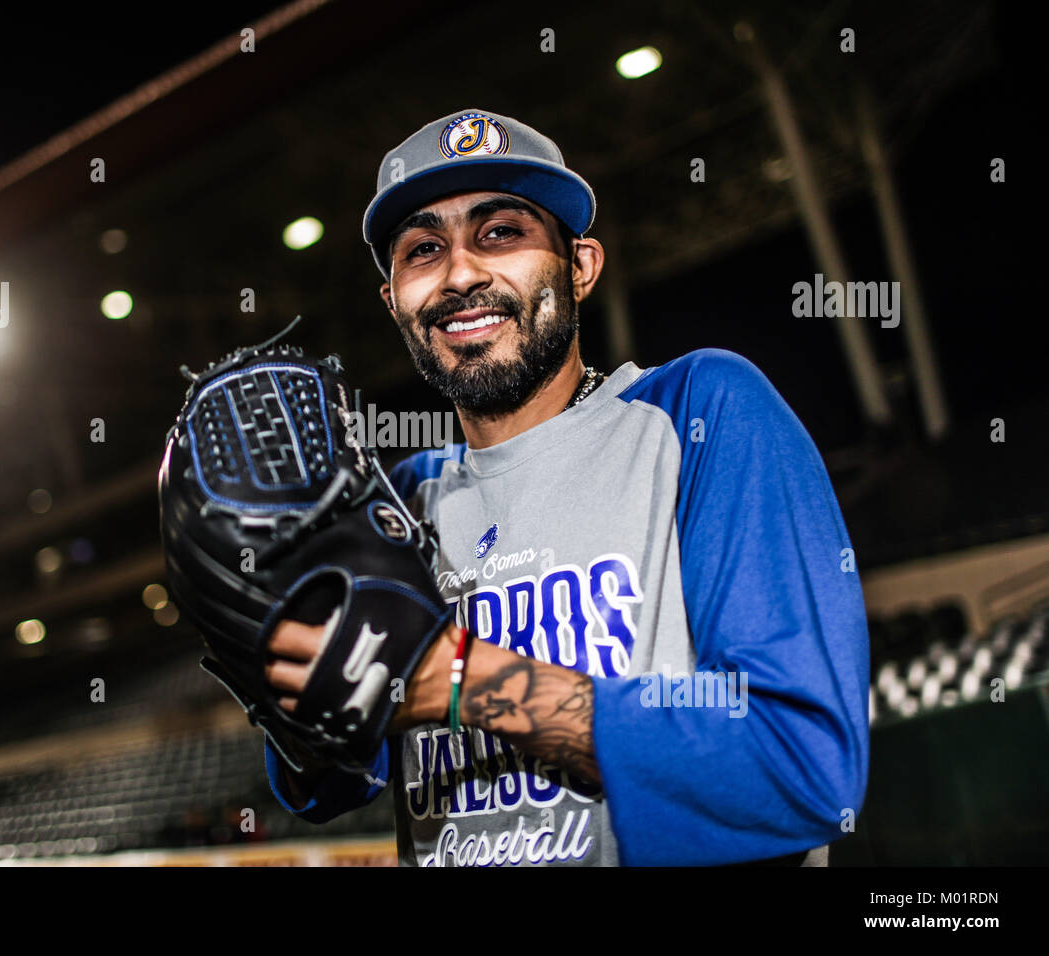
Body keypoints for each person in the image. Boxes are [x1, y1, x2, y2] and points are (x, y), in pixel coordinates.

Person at [261, 108, 869, 867]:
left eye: (500, 232)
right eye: (423, 249)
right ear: (395, 303)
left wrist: (462, 681)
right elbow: (321, 789)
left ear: (580, 267)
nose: (458, 274)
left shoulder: (699, 409)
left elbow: (802, 770)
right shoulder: (399, 504)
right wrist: (272, 647)